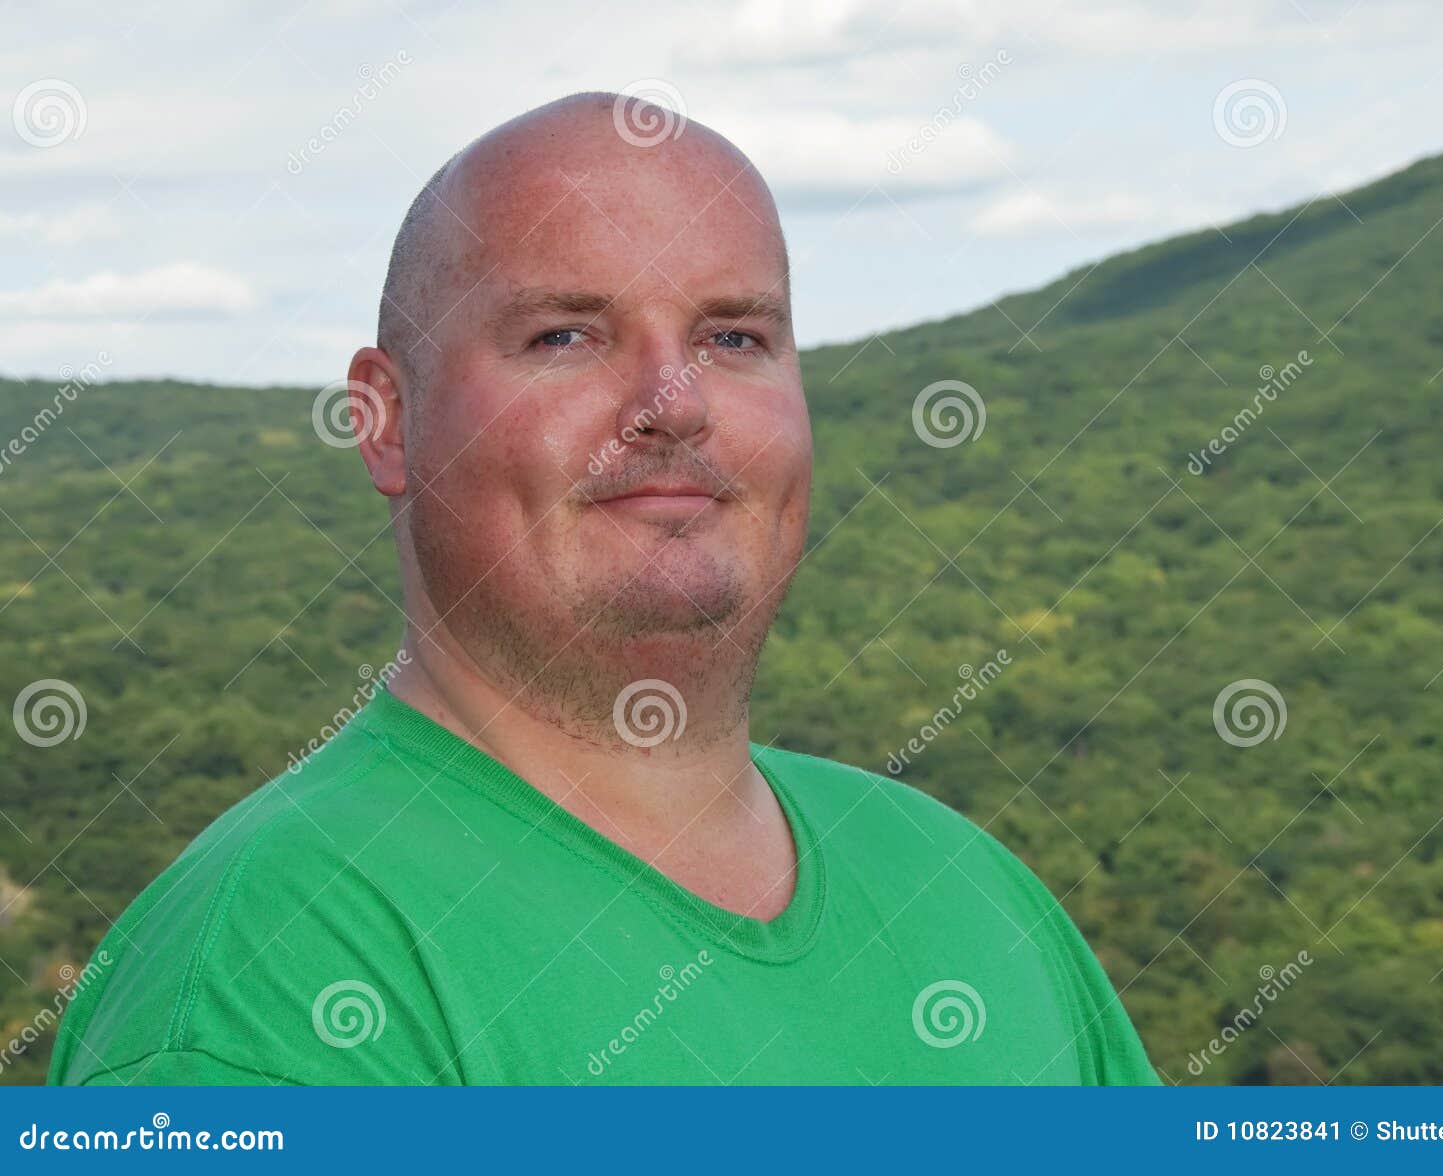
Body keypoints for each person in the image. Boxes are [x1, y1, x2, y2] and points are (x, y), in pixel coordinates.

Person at [49, 92, 1157, 1085]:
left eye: (734, 336)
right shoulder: (267, 989)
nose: (674, 403)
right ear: (387, 420)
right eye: (565, 335)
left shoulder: (968, 890)